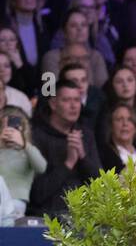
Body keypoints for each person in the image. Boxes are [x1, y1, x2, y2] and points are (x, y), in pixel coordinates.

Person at [29, 79, 103, 215]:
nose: (74, 106)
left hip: (85, 217)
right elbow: (37, 194)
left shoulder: (86, 135)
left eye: (76, 100)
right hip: (47, 218)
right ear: (53, 104)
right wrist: (68, 164)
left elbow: (101, 185)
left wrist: (82, 156)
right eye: (67, 100)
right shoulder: (36, 136)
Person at [0, 105, 45, 215]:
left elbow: (41, 167)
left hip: (16, 201)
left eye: (16, 124)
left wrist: (24, 144)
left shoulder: (28, 150)